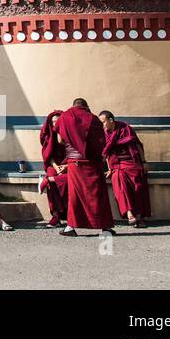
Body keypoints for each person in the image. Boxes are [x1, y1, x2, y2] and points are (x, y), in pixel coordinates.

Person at [55, 98, 114, 236]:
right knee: (98, 194)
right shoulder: (94, 119)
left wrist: (73, 143)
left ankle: (70, 227)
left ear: (73, 106)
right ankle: (105, 227)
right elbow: (101, 142)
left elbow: (60, 140)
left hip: (75, 163)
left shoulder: (65, 117)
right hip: (92, 162)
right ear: (86, 107)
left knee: (75, 195)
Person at [100, 111, 151, 227]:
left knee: (138, 185)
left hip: (132, 162)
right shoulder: (105, 134)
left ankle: (139, 216)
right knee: (119, 183)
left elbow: (137, 145)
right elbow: (107, 152)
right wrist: (109, 168)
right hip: (117, 165)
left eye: (103, 122)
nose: (102, 125)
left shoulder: (125, 128)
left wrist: (144, 162)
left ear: (111, 120)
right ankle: (129, 213)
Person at [37, 109, 69, 228]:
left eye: (58, 121)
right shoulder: (49, 136)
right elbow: (48, 155)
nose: (56, 124)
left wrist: (65, 167)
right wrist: (56, 167)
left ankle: (70, 213)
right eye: (53, 122)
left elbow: (74, 153)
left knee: (65, 180)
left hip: (69, 164)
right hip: (54, 164)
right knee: (51, 176)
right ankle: (55, 215)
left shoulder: (69, 133)